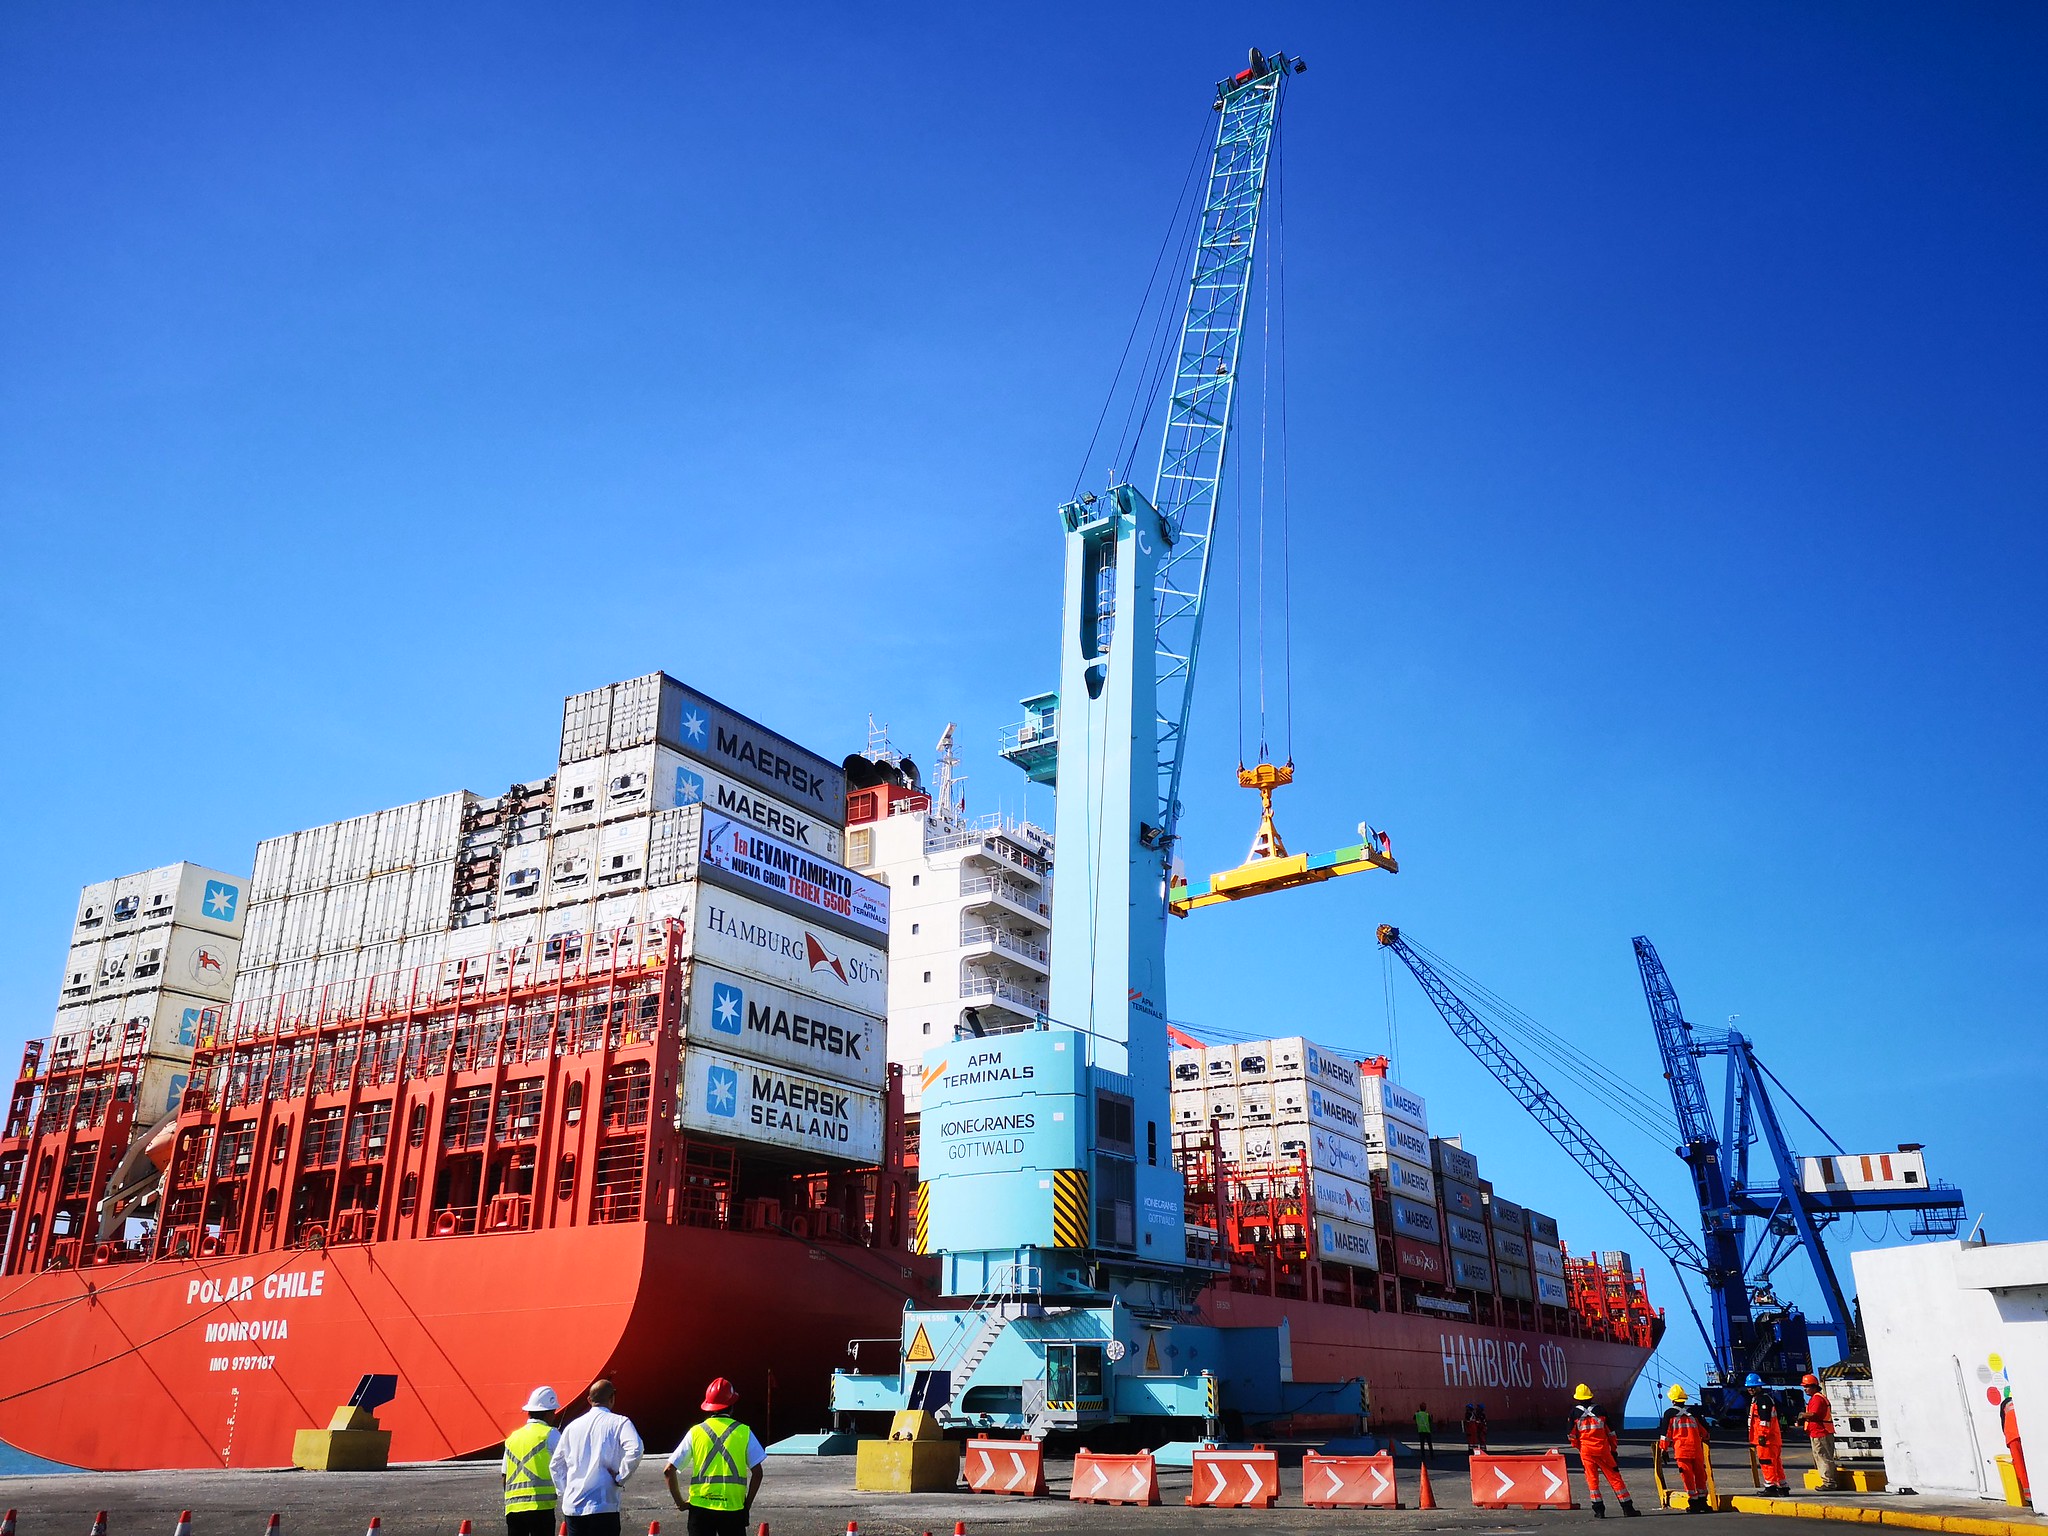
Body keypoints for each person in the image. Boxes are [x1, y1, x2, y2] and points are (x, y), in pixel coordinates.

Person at [665, 1376, 765, 1536]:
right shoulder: (744, 1432)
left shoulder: (695, 1432)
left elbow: (668, 1470)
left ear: (709, 1407)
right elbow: (758, 1473)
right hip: (733, 1509)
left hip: (700, 1509)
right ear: (732, 1406)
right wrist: (746, 1505)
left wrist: (681, 1503)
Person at [556, 1378, 645, 1536]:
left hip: (573, 1506)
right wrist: (620, 1477)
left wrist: (565, 1490)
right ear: (612, 1398)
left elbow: (556, 1464)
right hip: (603, 1504)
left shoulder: (572, 1427)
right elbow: (636, 1449)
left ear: (589, 1400)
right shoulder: (620, 1423)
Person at [1570, 1383, 1639, 1518]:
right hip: (1603, 1450)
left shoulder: (1574, 1413)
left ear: (1578, 1398)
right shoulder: (1600, 1410)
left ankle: (1599, 1510)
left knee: (1592, 1480)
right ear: (1590, 1396)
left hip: (1586, 1451)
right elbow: (1611, 1432)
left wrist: (1580, 1447)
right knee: (1615, 1478)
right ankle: (1627, 1508)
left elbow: (1571, 1435)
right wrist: (1613, 1449)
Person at [503, 1386, 562, 1536]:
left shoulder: (512, 1439)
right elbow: (566, 1465)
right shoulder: (551, 1434)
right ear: (548, 1413)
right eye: (553, 1412)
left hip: (513, 1509)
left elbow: (504, 1477)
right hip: (541, 1508)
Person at [1658, 1384, 1711, 1513]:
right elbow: (1705, 1431)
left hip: (1682, 1450)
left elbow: (1666, 1434)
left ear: (1672, 1399)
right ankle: (1703, 1501)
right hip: (1696, 1449)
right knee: (1700, 1475)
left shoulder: (1670, 1414)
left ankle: (1693, 1502)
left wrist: (1663, 1450)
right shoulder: (1694, 1413)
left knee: (1687, 1476)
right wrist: (1705, 1439)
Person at [1747, 1374, 1790, 1495]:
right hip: (1772, 1438)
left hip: (1766, 1439)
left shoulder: (1761, 1400)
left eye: (1753, 1387)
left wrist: (1762, 1435)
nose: (1750, 1389)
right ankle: (1782, 1486)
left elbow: (1764, 1420)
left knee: (1767, 1462)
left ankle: (1770, 1487)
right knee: (1776, 1463)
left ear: (1759, 1387)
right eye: (1749, 1387)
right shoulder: (1763, 1399)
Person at [1799, 1373, 1838, 1488]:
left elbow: (1813, 1414)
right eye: (1804, 1387)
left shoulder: (1817, 1399)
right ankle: (1830, 1481)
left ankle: (1829, 1482)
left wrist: (1802, 1415)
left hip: (1821, 1432)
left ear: (1814, 1386)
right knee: (1823, 1456)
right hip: (1820, 1432)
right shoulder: (1817, 1398)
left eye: (1807, 1386)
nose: (1805, 1389)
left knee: (1823, 1456)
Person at [2000, 1392, 2030, 1501]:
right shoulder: (2024, 1399)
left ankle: (2029, 1497)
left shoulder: (2005, 1404)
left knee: (2020, 1466)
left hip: (2012, 1437)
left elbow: (2003, 1423)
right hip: (2023, 1434)